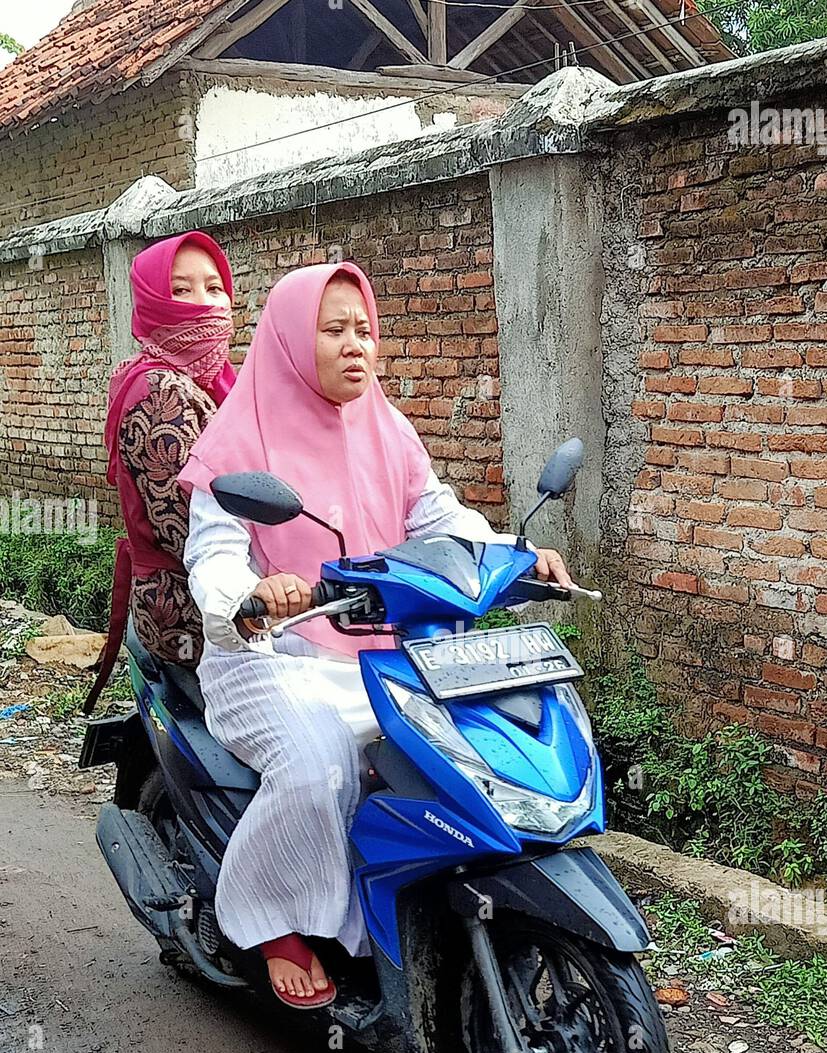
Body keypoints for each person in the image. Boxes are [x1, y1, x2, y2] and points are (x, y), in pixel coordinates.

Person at [178, 261, 573, 1009]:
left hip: (387, 649)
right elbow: (214, 554)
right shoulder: (243, 437)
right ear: (294, 341)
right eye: (333, 331)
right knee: (321, 765)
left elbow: (437, 517)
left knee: (455, 757)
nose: (356, 345)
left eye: (364, 330)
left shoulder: (385, 424)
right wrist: (252, 596)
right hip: (272, 655)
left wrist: (514, 555)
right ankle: (273, 920)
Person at [83, 233, 236, 714]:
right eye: (181, 289)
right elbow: (185, 528)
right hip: (191, 607)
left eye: (214, 288)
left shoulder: (206, 379)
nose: (203, 304)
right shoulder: (161, 392)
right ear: (151, 300)